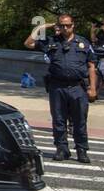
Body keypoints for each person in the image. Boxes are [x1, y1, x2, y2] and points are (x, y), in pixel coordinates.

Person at [25, 14, 97, 162]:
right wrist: (42, 27)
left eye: (68, 25)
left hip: (78, 87)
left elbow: (91, 66)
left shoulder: (83, 42)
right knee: (58, 120)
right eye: (62, 25)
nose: (65, 28)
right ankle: (62, 149)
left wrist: (93, 88)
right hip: (57, 86)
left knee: (80, 120)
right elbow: (28, 43)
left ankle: (81, 149)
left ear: (73, 25)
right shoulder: (51, 41)